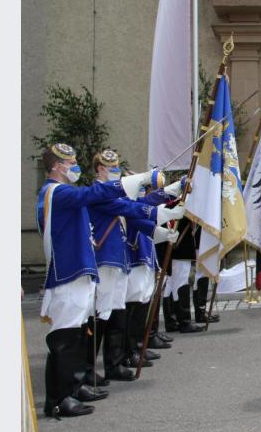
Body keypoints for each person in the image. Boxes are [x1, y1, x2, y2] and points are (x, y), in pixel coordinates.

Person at [36, 143, 153, 417]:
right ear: (57, 166)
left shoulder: (65, 193)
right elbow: (93, 193)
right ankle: (58, 400)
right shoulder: (55, 192)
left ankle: (74, 387)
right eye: (69, 163)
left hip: (79, 272)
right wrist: (141, 179)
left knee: (77, 335)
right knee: (65, 339)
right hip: (68, 273)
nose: (74, 167)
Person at [86, 150, 183, 383]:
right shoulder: (99, 193)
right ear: (100, 169)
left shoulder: (112, 194)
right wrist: (163, 211)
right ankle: (87, 371)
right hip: (106, 258)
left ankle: (115, 363)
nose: (115, 171)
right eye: (111, 167)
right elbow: (133, 209)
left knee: (117, 313)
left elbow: (136, 208)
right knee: (99, 316)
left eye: (117, 167)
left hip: (119, 260)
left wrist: (161, 225)